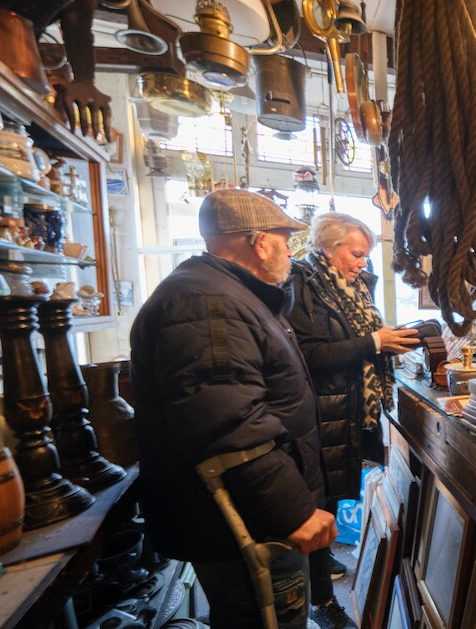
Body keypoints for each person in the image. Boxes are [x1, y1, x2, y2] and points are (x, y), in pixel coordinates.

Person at [131, 189, 336, 629]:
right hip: (250, 525)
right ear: (260, 243)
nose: (289, 252)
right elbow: (230, 426)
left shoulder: (222, 294)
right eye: (285, 239)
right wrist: (291, 512)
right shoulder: (209, 304)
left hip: (250, 516)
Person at [286, 213, 418, 627]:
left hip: (345, 408)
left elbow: (354, 339)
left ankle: (319, 576)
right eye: (356, 254)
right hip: (320, 412)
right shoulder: (303, 283)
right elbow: (308, 355)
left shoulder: (354, 287)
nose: (363, 262)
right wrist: (374, 342)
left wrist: (385, 343)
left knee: (328, 499)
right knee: (318, 502)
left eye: (365, 255)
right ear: (327, 246)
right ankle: (321, 601)